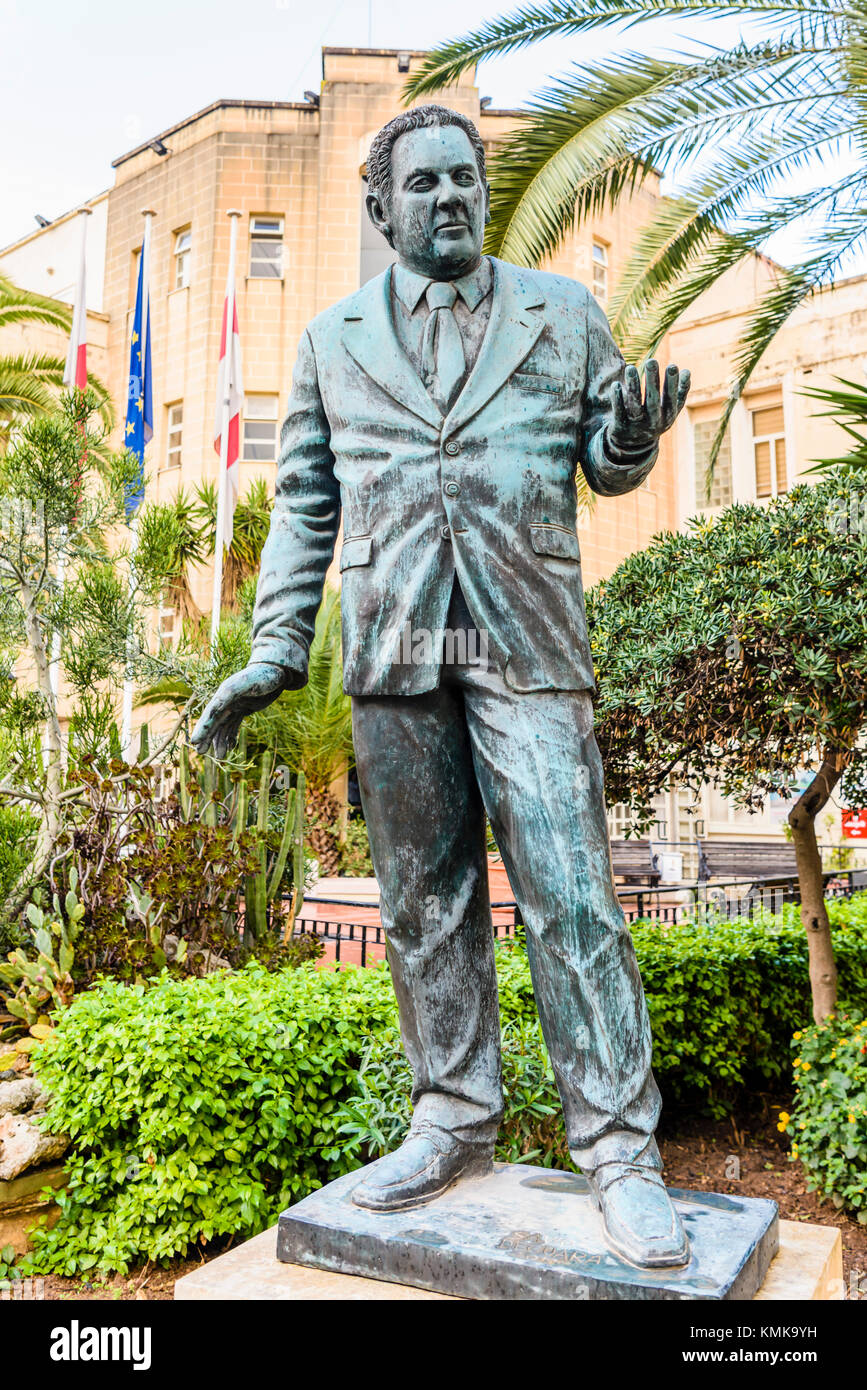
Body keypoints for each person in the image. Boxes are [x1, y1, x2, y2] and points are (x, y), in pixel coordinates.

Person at [193, 105, 692, 1269]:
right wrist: (275, 650)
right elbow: (305, 503)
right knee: (424, 907)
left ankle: (619, 1148)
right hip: (394, 645)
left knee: (571, 896)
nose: (451, 197)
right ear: (382, 211)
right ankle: (454, 1117)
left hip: (525, 637)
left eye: (465, 178)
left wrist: (630, 435)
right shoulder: (330, 341)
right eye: (423, 185)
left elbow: (607, 463)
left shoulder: (563, 313)